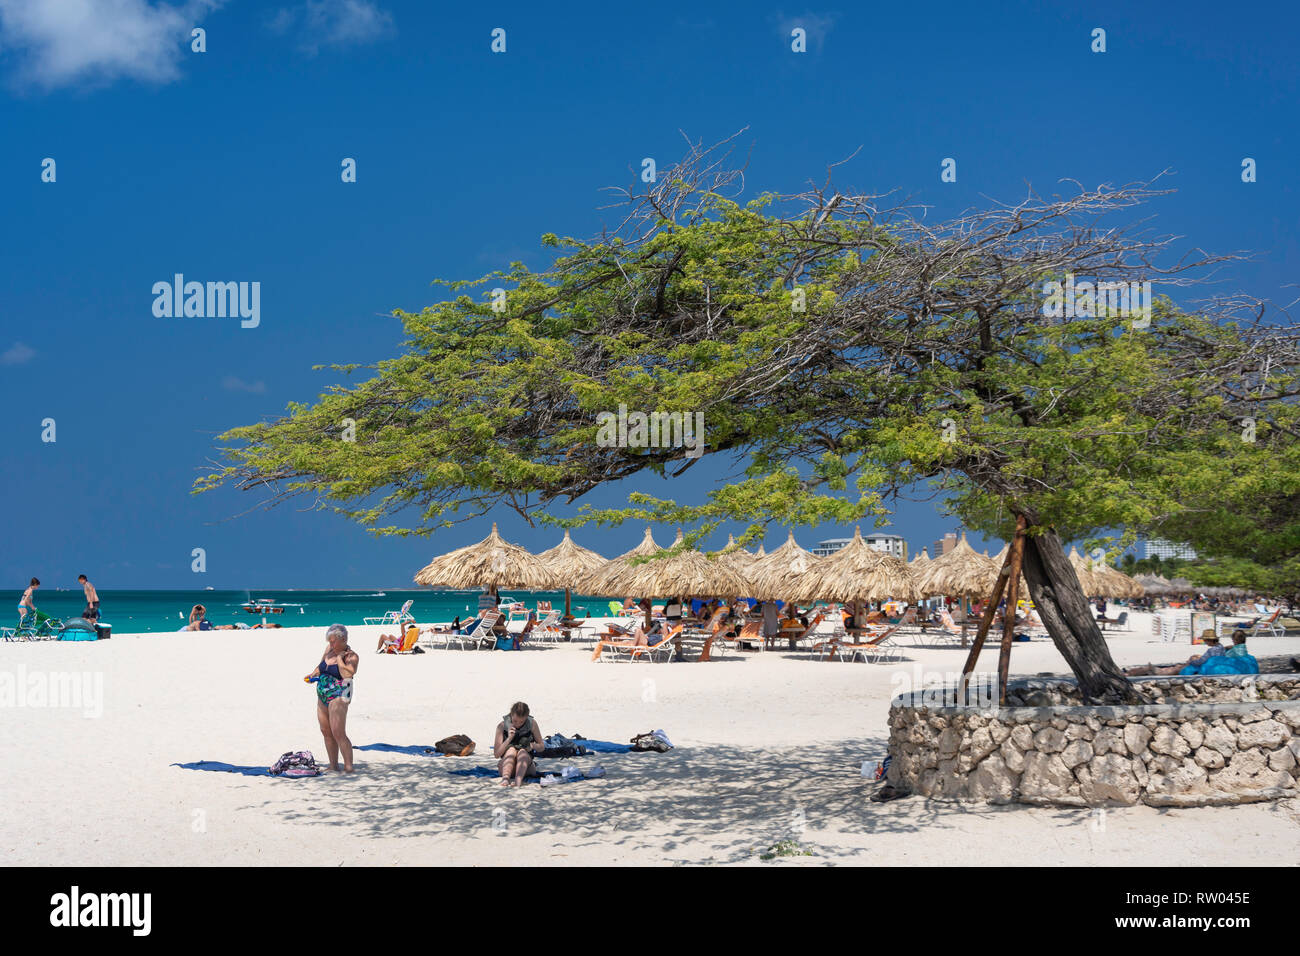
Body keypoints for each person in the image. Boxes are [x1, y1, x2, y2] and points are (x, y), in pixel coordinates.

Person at [304, 624, 358, 772]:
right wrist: (313, 673)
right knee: (326, 730)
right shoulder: (329, 650)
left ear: (344, 639)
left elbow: (348, 674)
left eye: (333, 641)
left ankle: (348, 767)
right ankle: (333, 765)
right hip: (322, 693)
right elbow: (320, 666)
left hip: (339, 694)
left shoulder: (351, 656)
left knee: (338, 732)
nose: (331, 644)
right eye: (329, 641)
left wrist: (340, 660)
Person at [1126, 629, 1225, 676]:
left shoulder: (1211, 650)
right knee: (1178, 666)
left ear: (1209, 640)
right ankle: (1148, 670)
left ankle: (1154, 671)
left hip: (1203, 668)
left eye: (1205, 640)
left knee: (1177, 668)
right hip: (1211, 666)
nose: (1204, 642)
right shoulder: (1220, 647)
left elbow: (1201, 662)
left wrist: (1190, 661)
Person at [494, 702, 542, 787]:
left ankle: (518, 780)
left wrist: (532, 746)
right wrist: (509, 739)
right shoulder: (502, 726)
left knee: (522, 752)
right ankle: (506, 779)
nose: (518, 724)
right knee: (511, 750)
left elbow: (542, 747)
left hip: (525, 767)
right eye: (515, 721)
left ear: (527, 717)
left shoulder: (532, 724)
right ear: (511, 715)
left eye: (522, 721)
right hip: (506, 766)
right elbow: (497, 754)